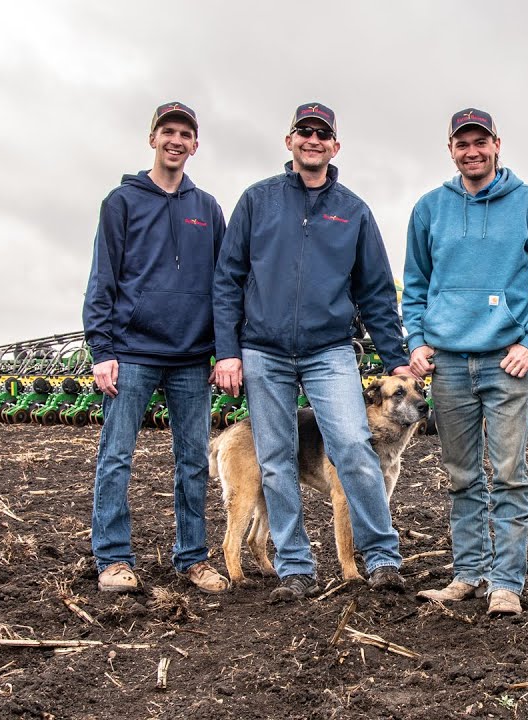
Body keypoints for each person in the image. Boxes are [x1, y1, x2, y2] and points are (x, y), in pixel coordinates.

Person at [212, 102, 409, 601]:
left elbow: (377, 292)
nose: (313, 140)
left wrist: (395, 355)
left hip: (329, 350)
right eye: (305, 131)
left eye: (323, 133)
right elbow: (228, 279)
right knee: (276, 458)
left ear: (335, 146)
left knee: (353, 447)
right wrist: (227, 351)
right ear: (290, 141)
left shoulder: (354, 211)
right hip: (264, 350)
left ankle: (382, 557)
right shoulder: (258, 202)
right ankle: (296, 567)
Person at [403, 108, 528, 616]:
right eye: (462, 143)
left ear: (497, 144)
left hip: (506, 362)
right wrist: (417, 338)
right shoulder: (430, 208)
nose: (472, 151)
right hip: (448, 363)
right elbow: (414, 284)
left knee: (510, 472)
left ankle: (506, 583)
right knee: (462, 475)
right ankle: (469, 574)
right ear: (450, 149)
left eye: (481, 141)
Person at [83, 101, 230, 594]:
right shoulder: (121, 202)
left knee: (192, 460)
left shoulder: (206, 208)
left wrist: (224, 348)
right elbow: (103, 278)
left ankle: (192, 557)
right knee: (117, 456)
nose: (176, 140)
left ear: (194, 144)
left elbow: (225, 284)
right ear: (153, 139)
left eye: (185, 133)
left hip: (190, 357)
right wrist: (102, 350)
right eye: (167, 131)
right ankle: (113, 558)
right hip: (132, 354)